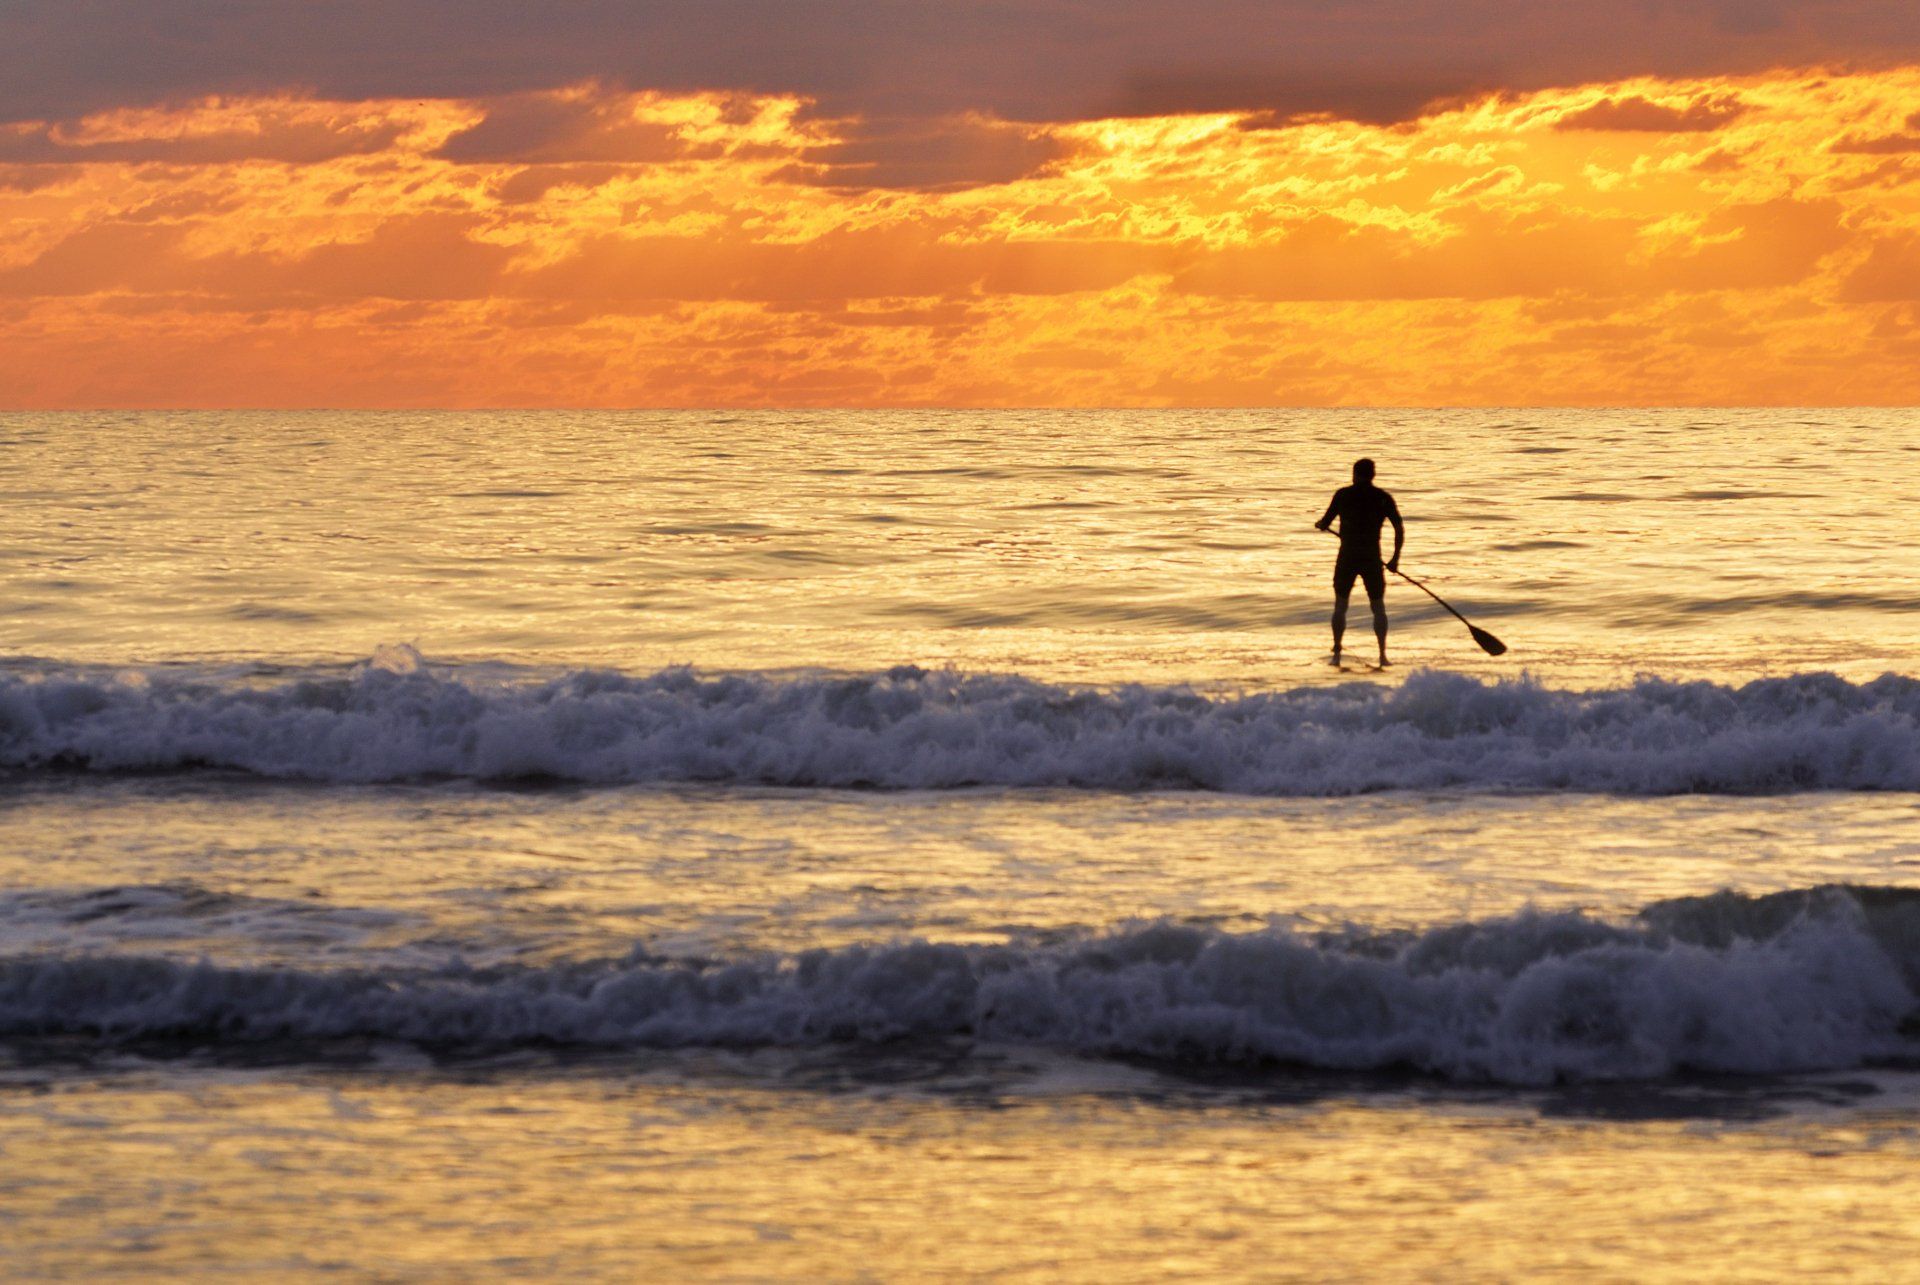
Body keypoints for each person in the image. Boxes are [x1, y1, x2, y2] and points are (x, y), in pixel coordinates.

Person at [1314, 458, 1404, 666]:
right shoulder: (1383, 498)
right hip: (1372, 558)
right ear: (1373, 475)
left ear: (1355, 474)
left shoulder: (1343, 495)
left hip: (1348, 557)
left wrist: (1320, 524)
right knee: (1378, 608)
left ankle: (1336, 654)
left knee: (1340, 606)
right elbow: (1399, 529)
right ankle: (1382, 655)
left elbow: (1325, 522)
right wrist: (1394, 559)